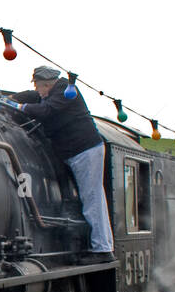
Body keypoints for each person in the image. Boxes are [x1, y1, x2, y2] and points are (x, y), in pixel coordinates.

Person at [7, 66, 115, 263]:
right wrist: (11, 97)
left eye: (39, 87)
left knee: (92, 198)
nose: (38, 91)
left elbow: (46, 110)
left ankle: (102, 250)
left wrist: (19, 107)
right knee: (88, 197)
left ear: (47, 83)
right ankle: (95, 243)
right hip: (73, 153)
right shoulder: (49, 92)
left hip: (85, 150)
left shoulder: (66, 90)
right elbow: (33, 96)